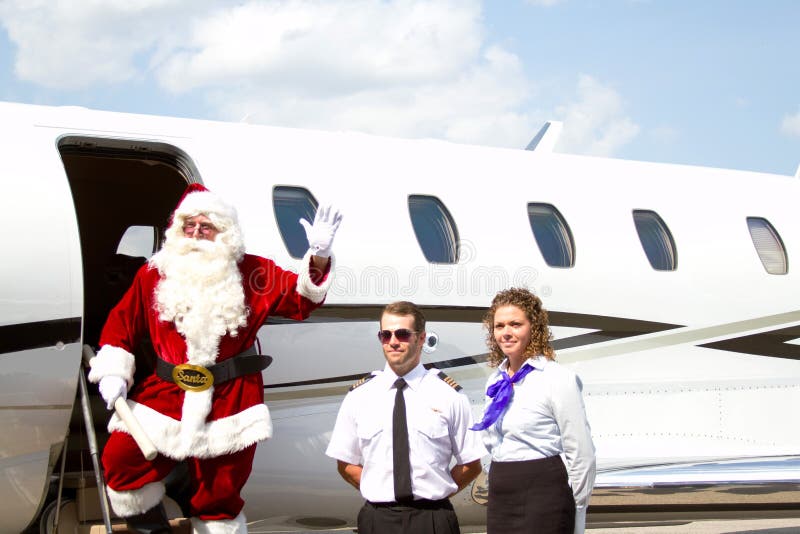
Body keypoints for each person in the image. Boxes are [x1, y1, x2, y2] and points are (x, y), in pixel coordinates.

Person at [87, 183, 342, 533]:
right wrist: (115, 371)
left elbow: (301, 301)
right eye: (188, 226)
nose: (195, 234)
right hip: (165, 395)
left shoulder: (254, 272)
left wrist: (319, 256)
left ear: (225, 233)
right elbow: (121, 324)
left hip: (230, 401)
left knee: (219, 496)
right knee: (120, 461)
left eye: (205, 227)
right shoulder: (152, 274)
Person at [325, 301, 486, 534]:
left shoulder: (449, 395)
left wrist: (435, 491)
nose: (392, 342)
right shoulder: (359, 396)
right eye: (385, 334)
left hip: (432, 519)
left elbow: (471, 465)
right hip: (378, 520)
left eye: (402, 334)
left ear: (421, 339)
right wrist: (380, 488)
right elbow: (345, 464)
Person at [471, 287, 595, 534]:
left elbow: (581, 453)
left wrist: (577, 509)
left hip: (544, 492)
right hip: (501, 493)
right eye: (499, 326)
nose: (506, 333)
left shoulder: (557, 378)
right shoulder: (495, 380)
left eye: (515, 324)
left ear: (534, 328)